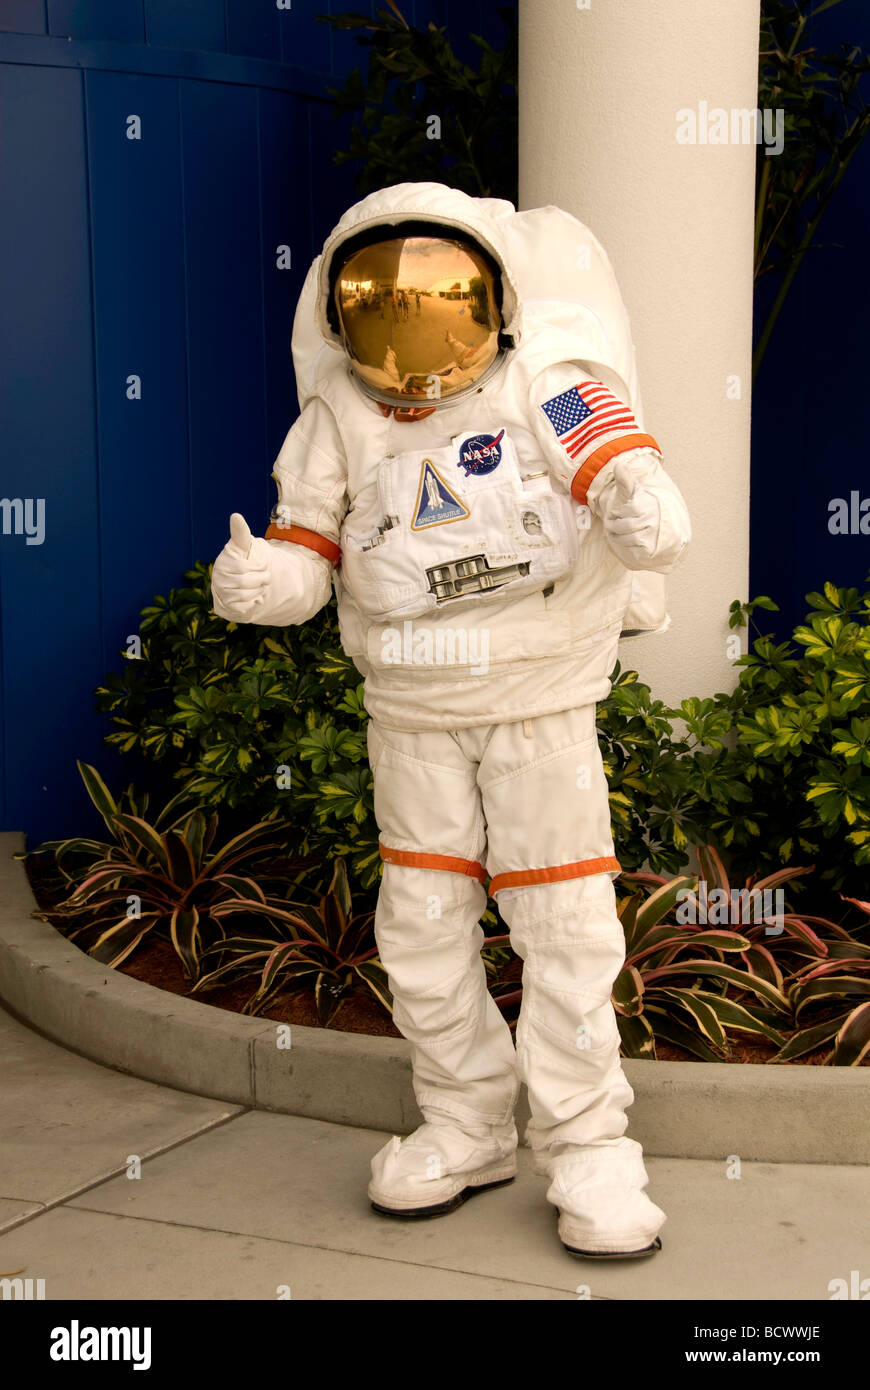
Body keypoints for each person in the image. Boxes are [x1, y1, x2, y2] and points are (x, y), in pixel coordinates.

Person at [211, 181, 691, 1260]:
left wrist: (641, 511)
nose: (412, 339)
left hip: (537, 702)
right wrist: (261, 580)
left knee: (565, 931)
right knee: (422, 928)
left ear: (497, 300)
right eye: (380, 308)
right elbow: (308, 549)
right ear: (341, 316)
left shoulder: (551, 385)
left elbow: (631, 481)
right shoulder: (336, 415)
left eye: (440, 302)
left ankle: (588, 1145)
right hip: (413, 709)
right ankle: (467, 1121)